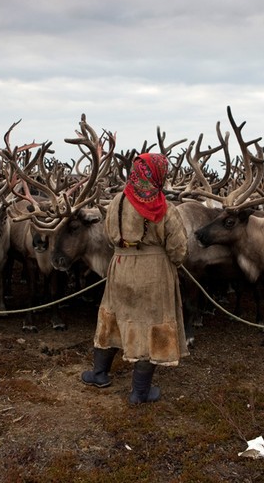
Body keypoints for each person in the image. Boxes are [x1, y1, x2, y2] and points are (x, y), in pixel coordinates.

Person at [81, 153, 188, 404]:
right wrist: (173, 261)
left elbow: (109, 236)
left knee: (113, 317)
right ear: (158, 175)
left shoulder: (117, 202)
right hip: (155, 273)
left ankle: (99, 374)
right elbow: (178, 249)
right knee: (150, 324)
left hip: (121, 266)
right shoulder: (165, 208)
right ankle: (140, 392)